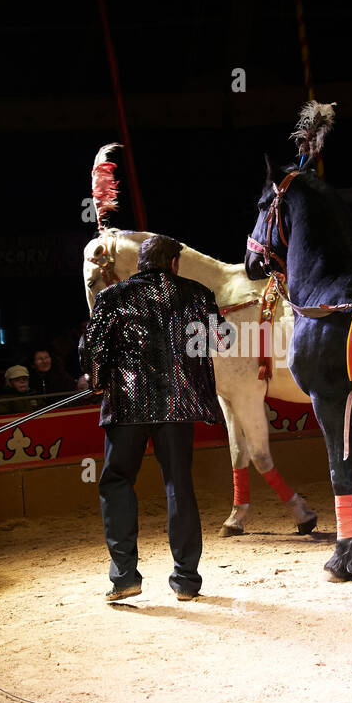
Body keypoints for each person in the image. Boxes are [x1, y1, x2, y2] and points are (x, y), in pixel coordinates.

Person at [79, 234, 224, 602]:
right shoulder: (197, 294)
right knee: (179, 485)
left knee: (116, 483)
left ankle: (125, 576)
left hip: (127, 406)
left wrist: (98, 382)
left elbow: (93, 349)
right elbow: (219, 342)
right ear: (173, 263)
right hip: (177, 407)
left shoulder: (112, 296)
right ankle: (187, 581)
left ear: (142, 262)